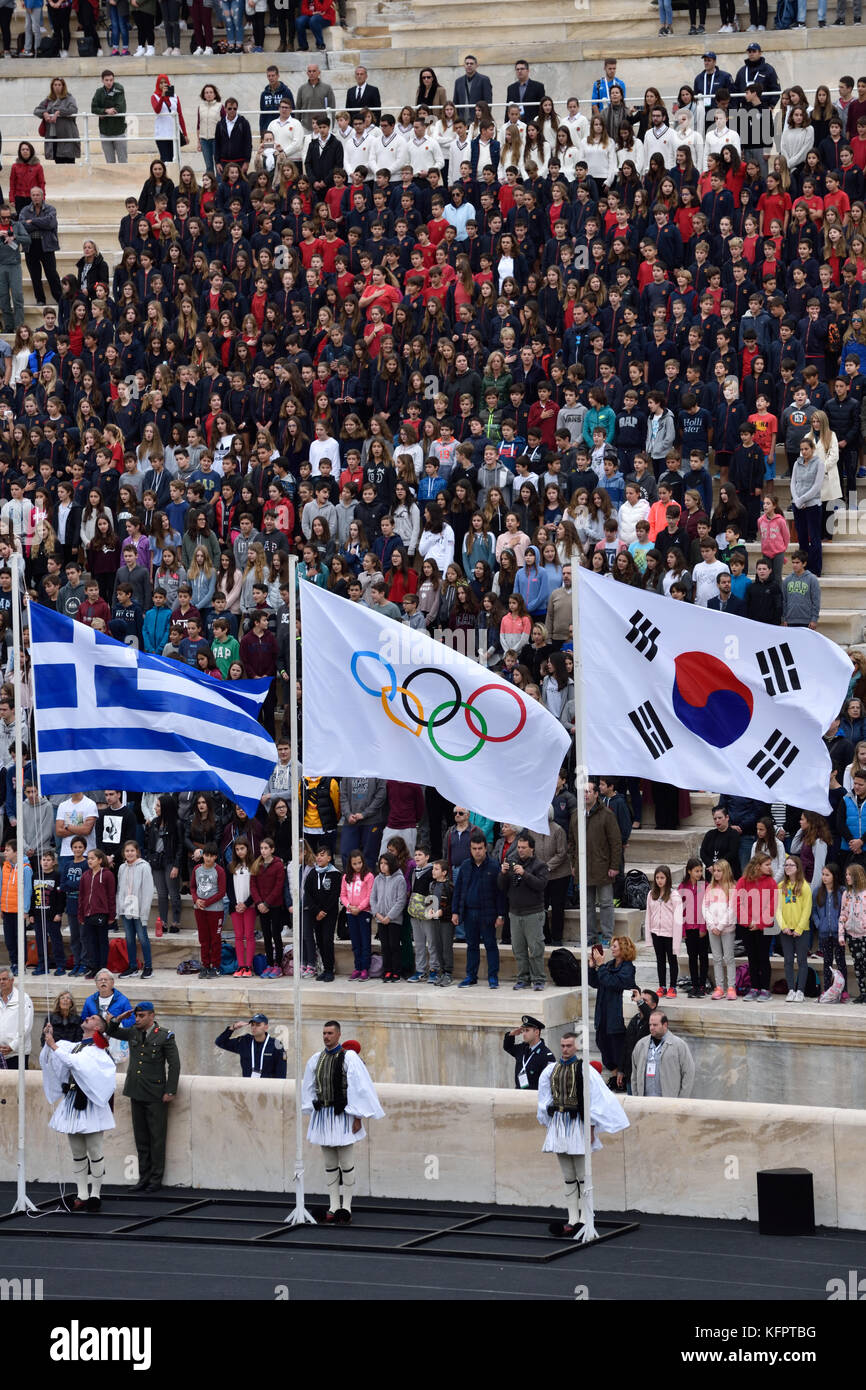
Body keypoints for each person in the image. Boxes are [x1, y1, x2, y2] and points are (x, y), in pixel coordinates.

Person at [537, 1030, 629, 1238]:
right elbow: (544, 1100)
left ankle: (586, 1218)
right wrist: (548, 1124)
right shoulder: (551, 1070)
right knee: (568, 1176)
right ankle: (572, 1219)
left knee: (582, 1175)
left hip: (577, 1124)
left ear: (576, 1046)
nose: (565, 1049)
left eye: (569, 1046)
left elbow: (595, 1101)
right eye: (562, 1045)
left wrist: (592, 1129)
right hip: (560, 1124)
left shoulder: (585, 1071)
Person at [301, 1019, 385, 1224]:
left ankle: (346, 1206)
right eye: (324, 1033)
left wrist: (357, 1116)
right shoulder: (315, 1059)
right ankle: (333, 1206)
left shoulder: (349, 1057)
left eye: (330, 1033)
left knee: (346, 1163)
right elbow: (309, 1087)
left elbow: (359, 1087)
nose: (326, 1037)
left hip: (342, 1115)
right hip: (323, 1116)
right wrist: (311, 1111)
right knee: (330, 1163)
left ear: (339, 1035)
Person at [40, 1013, 115, 1212]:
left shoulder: (96, 1050)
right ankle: (82, 1194)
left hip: (90, 1104)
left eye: (92, 1018)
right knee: (78, 1152)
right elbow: (60, 1059)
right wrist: (50, 1040)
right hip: (73, 1101)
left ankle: (95, 1194)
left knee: (95, 1150)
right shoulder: (76, 1046)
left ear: (97, 1028)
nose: (87, 1018)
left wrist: (53, 1045)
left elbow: (76, 1062)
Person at [104, 1000, 180, 1194]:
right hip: (136, 1091)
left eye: (141, 1016)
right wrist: (117, 1020)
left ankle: (156, 1179)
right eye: (136, 1016)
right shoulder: (133, 1032)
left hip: (155, 1093)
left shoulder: (165, 1035)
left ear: (151, 1016)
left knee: (157, 1138)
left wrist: (170, 1090)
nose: (137, 1019)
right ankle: (143, 1178)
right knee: (141, 1138)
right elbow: (112, 1032)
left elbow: (174, 1064)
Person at [568, 780, 622, 946]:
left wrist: (614, 866)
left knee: (606, 903)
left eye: (589, 791)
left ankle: (607, 936)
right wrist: (573, 863)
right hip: (583, 867)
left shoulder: (607, 815)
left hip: (603, 866)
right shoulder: (576, 815)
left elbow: (616, 842)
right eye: (583, 792)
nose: (585, 794)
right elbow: (571, 843)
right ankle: (589, 936)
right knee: (586, 905)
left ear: (596, 794)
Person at [452, 829, 506, 989]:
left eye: (480, 848)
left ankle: (493, 977)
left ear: (485, 848)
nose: (477, 852)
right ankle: (471, 976)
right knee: (472, 946)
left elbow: (500, 893)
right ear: (470, 849)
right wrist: (455, 911)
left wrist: (500, 914)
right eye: (474, 849)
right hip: (469, 912)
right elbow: (458, 889)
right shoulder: (465, 865)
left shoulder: (494, 866)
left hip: (487, 912)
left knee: (490, 945)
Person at [498, 829, 549, 992]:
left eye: (523, 847)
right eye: (519, 847)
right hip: (515, 913)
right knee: (518, 949)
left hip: (533, 913)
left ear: (531, 848)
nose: (520, 850)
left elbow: (541, 885)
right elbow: (502, 887)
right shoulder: (512, 862)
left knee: (535, 948)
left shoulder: (539, 865)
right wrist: (504, 873)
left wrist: (525, 874)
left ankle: (539, 979)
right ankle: (523, 978)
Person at [588, 936, 637, 1070]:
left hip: (616, 1015)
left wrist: (601, 966)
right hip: (603, 1013)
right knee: (603, 1043)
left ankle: (620, 1075)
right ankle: (614, 1074)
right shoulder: (609, 965)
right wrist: (592, 968)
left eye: (615, 946)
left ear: (623, 948)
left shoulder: (628, 968)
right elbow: (596, 983)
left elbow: (612, 982)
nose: (611, 949)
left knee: (617, 1047)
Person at [631, 1011, 695, 1097]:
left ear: (665, 1025)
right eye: (650, 1025)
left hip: (668, 1102)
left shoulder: (678, 1045)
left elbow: (688, 1073)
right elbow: (634, 1074)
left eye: (655, 1025)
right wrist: (636, 1097)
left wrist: (681, 1100)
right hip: (645, 1101)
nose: (651, 1028)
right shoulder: (641, 1044)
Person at [776, 853, 812, 1003]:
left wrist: (799, 928)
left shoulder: (804, 886)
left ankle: (800, 991)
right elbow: (777, 909)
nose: (788, 868)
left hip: (801, 930)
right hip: (785, 930)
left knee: (802, 961)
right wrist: (783, 926)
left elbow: (807, 909)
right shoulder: (780, 886)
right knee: (788, 960)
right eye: (786, 865)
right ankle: (791, 989)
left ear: (798, 868)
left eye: (791, 865)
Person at [18, 187, 63, 308]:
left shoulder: (50, 209)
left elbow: (50, 223)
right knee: (35, 275)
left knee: (52, 274)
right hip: (31, 247)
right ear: (30, 196)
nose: (36, 197)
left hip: (47, 246)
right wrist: (40, 223)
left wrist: (31, 222)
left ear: (42, 196)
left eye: (38, 195)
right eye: (33, 195)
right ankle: (40, 299)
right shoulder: (25, 210)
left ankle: (60, 298)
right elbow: (22, 227)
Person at [116, 838, 153, 981]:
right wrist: (120, 908)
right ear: (123, 853)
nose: (130, 853)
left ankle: (148, 967)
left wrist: (144, 912)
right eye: (127, 851)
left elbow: (148, 890)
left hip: (139, 909)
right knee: (129, 939)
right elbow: (120, 889)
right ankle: (132, 966)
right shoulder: (122, 868)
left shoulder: (144, 866)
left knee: (143, 938)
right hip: (126, 908)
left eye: (132, 850)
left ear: (137, 852)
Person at [303, 841, 341, 981]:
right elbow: (307, 893)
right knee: (319, 940)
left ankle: (330, 969)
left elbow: (334, 895)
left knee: (327, 940)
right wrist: (316, 911)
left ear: (329, 858)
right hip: (316, 914)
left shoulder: (335, 874)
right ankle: (324, 969)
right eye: (318, 855)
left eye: (322, 855)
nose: (319, 858)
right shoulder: (313, 873)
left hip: (329, 914)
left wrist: (323, 911)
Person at [645, 864, 684, 997]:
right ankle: (662, 986)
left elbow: (678, 919)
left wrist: (677, 940)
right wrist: (649, 935)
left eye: (662, 877)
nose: (659, 880)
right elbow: (648, 915)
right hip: (656, 933)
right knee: (660, 960)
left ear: (667, 878)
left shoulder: (674, 895)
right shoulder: (651, 894)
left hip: (670, 934)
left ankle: (673, 986)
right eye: (657, 877)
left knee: (672, 960)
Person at [191, 842, 226, 980]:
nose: (208, 858)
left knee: (215, 939)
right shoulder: (197, 869)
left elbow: (222, 892)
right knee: (203, 939)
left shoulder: (220, 871)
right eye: (206, 855)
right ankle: (205, 965)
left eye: (211, 856)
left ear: (216, 857)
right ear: (202, 855)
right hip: (199, 909)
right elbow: (193, 887)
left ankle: (215, 966)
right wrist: (196, 900)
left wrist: (207, 902)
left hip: (215, 910)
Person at [215, 1013, 287, 1077]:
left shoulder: (276, 1044)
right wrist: (233, 1027)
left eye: (258, 1025)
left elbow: (281, 1073)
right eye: (252, 1025)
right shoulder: (244, 1041)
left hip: (267, 1088)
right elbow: (220, 1042)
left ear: (266, 1027)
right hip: (248, 1087)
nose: (254, 1027)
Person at [503, 1013, 555, 1089]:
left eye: (527, 1030)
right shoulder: (522, 1048)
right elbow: (507, 1047)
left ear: (536, 1032)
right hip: (518, 1094)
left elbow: (549, 1082)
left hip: (534, 1097)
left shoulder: (546, 1055)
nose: (524, 1034)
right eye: (523, 1031)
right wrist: (511, 1034)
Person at [0, 202, 30, 334]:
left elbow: (28, 239)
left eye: (8, 217)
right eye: (3, 217)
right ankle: (8, 326)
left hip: (14, 265)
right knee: (3, 297)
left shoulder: (16, 225)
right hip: (1, 265)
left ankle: (19, 327)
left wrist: (14, 237)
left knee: (18, 296)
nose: (6, 219)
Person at [839, 863, 866, 1004]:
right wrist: (841, 934)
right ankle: (863, 992)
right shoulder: (846, 894)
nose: (847, 877)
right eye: (846, 875)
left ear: (857, 876)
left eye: (849, 874)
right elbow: (843, 914)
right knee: (858, 965)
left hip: (864, 934)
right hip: (852, 934)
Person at [91, 69, 128, 164]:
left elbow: (119, 108)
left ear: (114, 79)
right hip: (105, 131)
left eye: (111, 80)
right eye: (106, 80)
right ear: (102, 80)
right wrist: (105, 111)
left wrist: (103, 112)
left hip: (119, 131)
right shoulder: (99, 92)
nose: (109, 82)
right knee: (110, 162)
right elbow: (93, 108)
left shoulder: (119, 89)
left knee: (123, 161)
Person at [0, 965, 33, 1068]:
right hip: (0, 1054)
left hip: (17, 1054)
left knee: (17, 1084)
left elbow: (26, 1027)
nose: (1, 982)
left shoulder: (24, 998)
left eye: (4, 979)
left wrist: (12, 1046)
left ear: (12, 980)